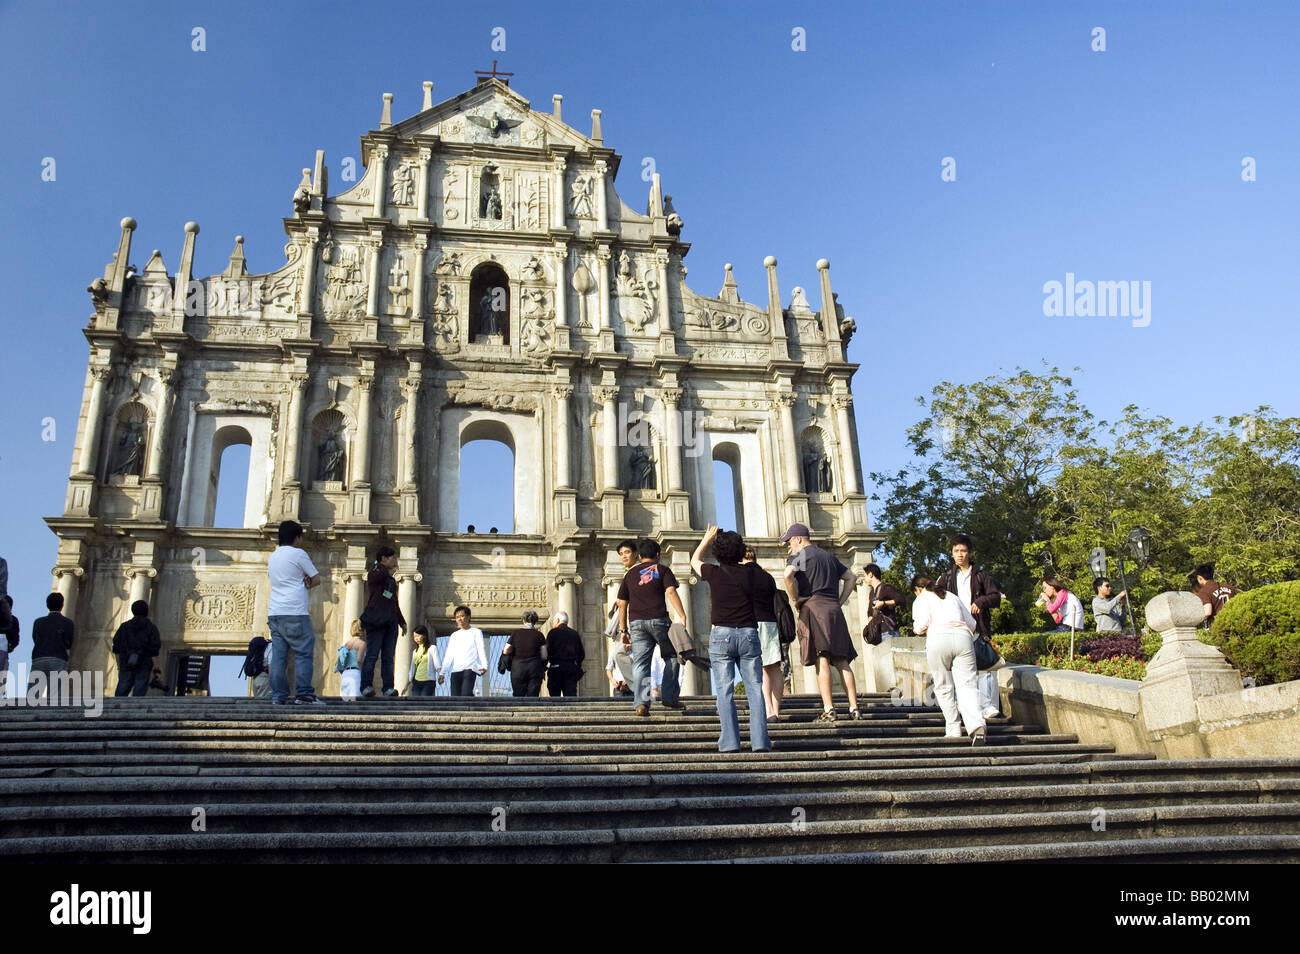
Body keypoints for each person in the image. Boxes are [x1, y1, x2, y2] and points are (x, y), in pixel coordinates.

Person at [692, 526, 770, 753]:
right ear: (740, 551)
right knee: (755, 689)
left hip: (722, 635)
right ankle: (760, 742)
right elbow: (768, 584)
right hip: (748, 633)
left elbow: (694, 560)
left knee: (724, 690)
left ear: (717, 553)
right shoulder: (752, 574)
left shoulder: (714, 572)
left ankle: (729, 742)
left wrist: (706, 539)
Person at [780, 523, 859, 722]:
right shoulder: (829, 556)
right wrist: (840, 601)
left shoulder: (802, 556)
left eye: (790, 542)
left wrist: (795, 597)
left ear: (798, 539)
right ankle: (854, 707)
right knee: (842, 660)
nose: (789, 547)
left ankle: (829, 708)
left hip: (814, 608)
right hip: (833, 609)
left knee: (821, 658)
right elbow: (851, 576)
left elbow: (787, 574)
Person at [911, 574, 986, 744]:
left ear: (918, 589)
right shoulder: (952, 596)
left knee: (943, 686)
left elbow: (920, 626)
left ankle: (953, 727)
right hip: (963, 639)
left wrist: (916, 629)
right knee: (968, 684)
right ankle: (976, 726)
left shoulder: (921, 599)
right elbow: (972, 624)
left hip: (938, 639)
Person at [616, 539, 688, 716]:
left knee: (641, 663)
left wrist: (623, 630)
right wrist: (682, 615)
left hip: (637, 623)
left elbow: (622, 603)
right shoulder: (662, 570)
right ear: (658, 555)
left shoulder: (630, 575)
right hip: (659, 620)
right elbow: (670, 592)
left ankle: (641, 703)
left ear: (639, 556)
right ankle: (670, 697)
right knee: (672, 656)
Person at [937, 535, 1003, 720]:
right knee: (961, 668)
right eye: (956, 551)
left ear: (970, 553)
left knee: (985, 664)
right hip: (957, 628)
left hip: (978, 625)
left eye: (963, 551)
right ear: (951, 553)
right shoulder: (947, 578)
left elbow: (995, 597)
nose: (960, 555)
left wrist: (981, 601)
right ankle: (966, 705)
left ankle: (988, 705)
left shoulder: (981, 575)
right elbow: (935, 598)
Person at [266, 520, 324, 705]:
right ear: (297, 537)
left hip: (275, 612)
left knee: (279, 656)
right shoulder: (298, 554)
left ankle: (278, 695)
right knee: (303, 652)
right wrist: (306, 582)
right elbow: (316, 579)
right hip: (295, 610)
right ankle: (304, 693)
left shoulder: (273, 557)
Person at [740, 546, 783, 720]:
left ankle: (768, 708)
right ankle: (776, 709)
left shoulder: (742, 575)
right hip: (771, 622)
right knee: (774, 667)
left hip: (752, 622)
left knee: (760, 667)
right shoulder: (768, 577)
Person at [360, 545, 407, 698]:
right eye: (392, 557)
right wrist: (380, 566)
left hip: (391, 621)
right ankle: (366, 685)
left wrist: (402, 621)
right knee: (372, 655)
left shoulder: (391, 580)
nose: (395, 560)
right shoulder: (376, 572)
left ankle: (388, 688)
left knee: (388, 657)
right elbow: (375, 578)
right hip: (377, 620)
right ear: (384, 558)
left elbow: (394, 601)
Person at [110, 600, 162, 697]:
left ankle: (116, 710)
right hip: (144, 664)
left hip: (126, 663)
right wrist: (157, 671)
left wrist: (119, 665)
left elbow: (116, 647)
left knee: (121, 692)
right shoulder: (151, 628)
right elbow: (154, 652)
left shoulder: (124, 627)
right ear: (146, 611)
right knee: (139, 693)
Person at [29, 592, 75, 701]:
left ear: (47, 605)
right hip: (58, 658)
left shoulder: (38, 622)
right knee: (55, 695)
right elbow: (69, 643)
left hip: (39, 658)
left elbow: (35, 638)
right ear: (62, 605)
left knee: (33, 695)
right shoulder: (67, 622)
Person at [440, 605, 487, 696]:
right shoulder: (454, 635)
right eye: (457, 617)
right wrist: (442, 673)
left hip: (470, 669)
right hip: (456, 670)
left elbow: (481, 649)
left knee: (466, 694)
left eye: (462, 616)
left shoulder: (476, 632)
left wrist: (485, 665)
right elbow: (449, 655)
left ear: (468, 617)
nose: (460, 619)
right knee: (455, 698)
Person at [503, 610, 547, 697]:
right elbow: (544, 655)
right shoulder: (539, 635)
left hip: (518, 667)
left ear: (523, 620)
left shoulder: (516, 633)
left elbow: (506, 650)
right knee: (533, 695)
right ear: (535, 621)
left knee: (518, 695)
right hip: (534, 667)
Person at [544, 611, 585, 697]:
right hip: (571, 668)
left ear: (558, 620)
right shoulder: (574, 634)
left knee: (554, 697)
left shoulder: (553, 633)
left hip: (555, 668)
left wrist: (544, 665)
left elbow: (547, 651)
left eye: (554, 620)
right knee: (571, 696)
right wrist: (576, 665)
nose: (553, 622)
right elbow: (581, 653)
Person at [863, 563, 905, 642]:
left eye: (865, 576)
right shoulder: (872, 593)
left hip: (889, 631)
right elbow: (870, 612)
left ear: (871, 575)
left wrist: (884, 603)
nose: (864, 579)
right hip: (877, 633)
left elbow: (901, 600)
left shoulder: (886, 588)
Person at [337, 622, 366, 701]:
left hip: (345, 675)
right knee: (356, 702)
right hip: (356, 674)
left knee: (346, 702)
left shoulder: (345, 645)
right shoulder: (361, 644)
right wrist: (364, 673)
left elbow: (338, 664)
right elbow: (359, 660)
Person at [409, 625, 440, 697]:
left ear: (424, 635)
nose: (416, 638)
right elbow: (412, 668)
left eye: (418, 636)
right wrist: (407, 683)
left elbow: (437, 663)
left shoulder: (432, 648)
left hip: (428, 681)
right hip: (416, 681)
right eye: (414, 636)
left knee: (424, 697)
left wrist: (440, 674)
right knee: (415, 700)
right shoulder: (415, 651)